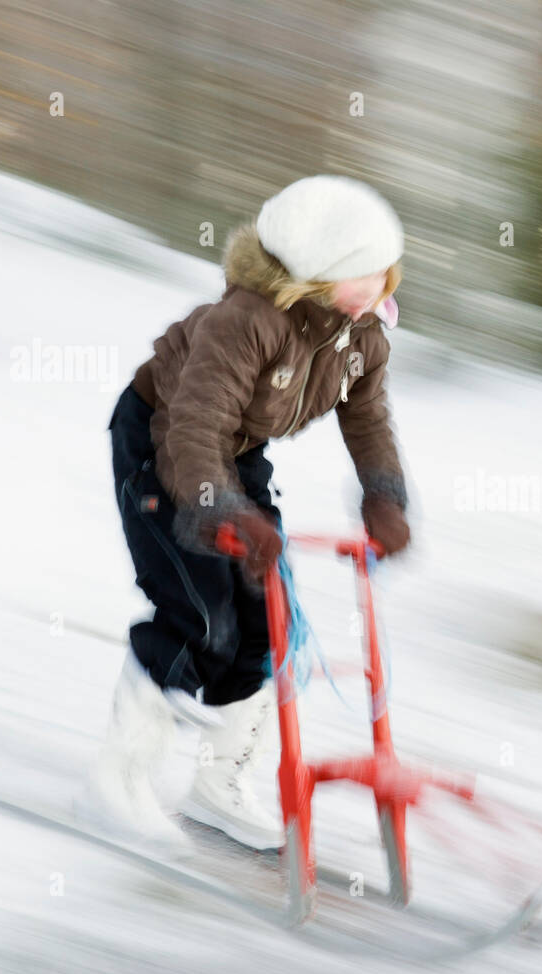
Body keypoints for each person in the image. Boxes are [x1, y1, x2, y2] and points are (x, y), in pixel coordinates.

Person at [86, 175, 411, 851]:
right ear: (316, 272)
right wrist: (223, 509)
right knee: (201, 614)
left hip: (235, 453)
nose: (379, 283)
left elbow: (369, 418)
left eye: (384, 269)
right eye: (362, 271)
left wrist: (384, 493)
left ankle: (216, 785)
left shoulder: (362, 335)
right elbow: (195, 425)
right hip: (160, 440)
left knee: (268, 621)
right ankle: (120, 774)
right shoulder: (247, 321)